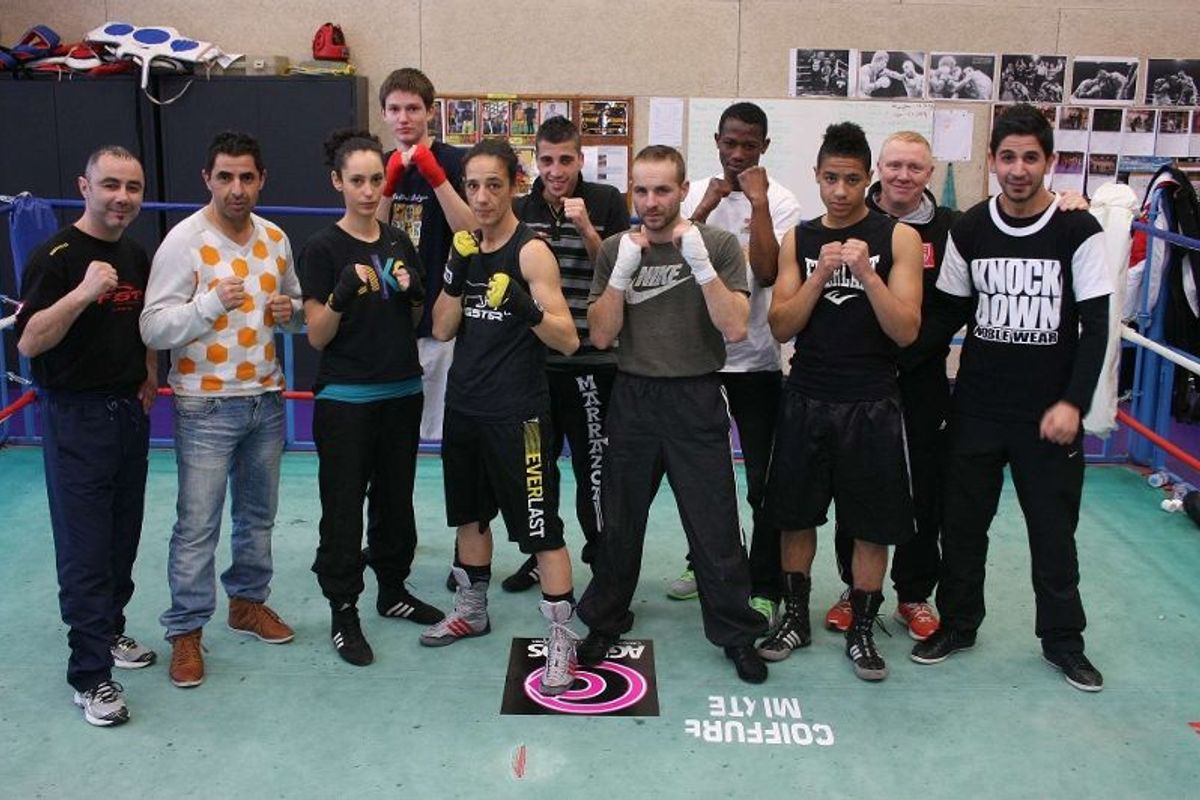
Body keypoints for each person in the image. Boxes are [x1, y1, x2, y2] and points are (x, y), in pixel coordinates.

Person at [910, 104, 1112, 693]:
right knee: (964, 528)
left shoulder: (1077, 229)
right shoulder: (970, 227)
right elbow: (948, 310)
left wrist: (1074, 402)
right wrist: (892, 360)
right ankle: (959, 624)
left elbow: (1096, 324)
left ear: (1049, 162)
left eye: (1031, 157)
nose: (1018, 169)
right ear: (993, 162)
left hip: (1046, 416)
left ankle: (1064, 642)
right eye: (1008, 157)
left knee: (1053, 532)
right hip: (975, 408)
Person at [575, 145, 770, 685]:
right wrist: (619, 277)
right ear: (630, 193)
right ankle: (605, 618)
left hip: (696, 395)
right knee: (620, 522)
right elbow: (601, 334)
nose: (651, 201)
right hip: (634, 396)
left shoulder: (720, 244)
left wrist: (700, 263)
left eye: (663, 190)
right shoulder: (618, 248)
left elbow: (734, 327)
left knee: (714, 526)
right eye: (641, 190)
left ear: (685, 190)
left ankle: (736, 632)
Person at [759, 122, 923, 682]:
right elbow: (781, 326)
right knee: (794, 517)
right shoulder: (799, 239)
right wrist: (821, 272)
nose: (841, 191)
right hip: (807, 395)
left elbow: (905, 330)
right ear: (817, 176)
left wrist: (865, 275)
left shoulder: (896, 238)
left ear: (868, 178)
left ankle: (860, 631)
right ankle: (797, 620)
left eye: (852, 179)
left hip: (872, 400)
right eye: (831, 178)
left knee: (872, 525)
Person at [419, 139, 583, 697]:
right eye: (473, 186)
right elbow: (442, 329)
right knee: (470, 517)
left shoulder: (531, 251)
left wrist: (525, 305)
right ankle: (471, 610)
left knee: (541, 530)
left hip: (521, 415)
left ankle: (562, 638)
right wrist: (453, 273)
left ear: (514, 184)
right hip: (466, 407)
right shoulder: (465, 248)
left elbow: (566, 339)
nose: (483, 197)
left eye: (493, 184)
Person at [141, 131, 303, 689]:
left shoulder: (276, 239)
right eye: (225, 177)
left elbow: (298, 310)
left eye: (247, 177)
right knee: (197, 526)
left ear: (262, 180)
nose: (237, 188)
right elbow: (153, 325)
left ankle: (247, 603)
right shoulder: (183, 241)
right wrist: (209, 304)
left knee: (257, 517)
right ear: (207, 178)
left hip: (264, 397)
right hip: (204, 403)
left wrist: (293, 311)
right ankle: (185, 631)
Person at [16, 146, 158, 726]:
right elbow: (29, 342)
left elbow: (144, 320)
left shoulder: (136, 252)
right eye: (110, 186)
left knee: (123, 537)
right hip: (75, 417)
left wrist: (151, 374)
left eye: (132, 187)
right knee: (85, 549)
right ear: (84, 186)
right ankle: (90, 676)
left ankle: (112, 633)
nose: (121, 197)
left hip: (128, 412)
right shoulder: (55, 256)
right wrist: (81, 292)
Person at [298, 129, 444, 667]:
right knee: (342, 508)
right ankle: (343, 609)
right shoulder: (322, 247)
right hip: (346, 398)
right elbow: (316, 334)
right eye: (356, 180)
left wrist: (412, 294)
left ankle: (393, 590)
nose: (366, 190)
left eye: (374, 180)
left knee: (394, 500)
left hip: (401, 389)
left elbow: (406, 318)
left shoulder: (397, 240)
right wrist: (338, 296)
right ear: (337, 181)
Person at [667, 103, 802, 627]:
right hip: (700, 357)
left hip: (758, 360)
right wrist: (701, 208)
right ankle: (707, 564)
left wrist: (760, 203)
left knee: (763, 478)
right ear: (716, 140)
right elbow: (668, 260)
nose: (738, 154)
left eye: (750, 145)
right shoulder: (695, 189)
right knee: (701, 473)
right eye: (730, 142)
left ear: (764, 147)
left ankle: (765, 581)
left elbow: (767, 272)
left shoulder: (784, 200)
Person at [503, 115, 630, 591]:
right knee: (537, 471)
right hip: (535, 367)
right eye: (548, 160)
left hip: (592, 366)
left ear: (581, 159)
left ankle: (602, 567)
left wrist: (585, 228)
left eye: (566, 160)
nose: (557, 171)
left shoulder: (605, 201)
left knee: (594, 472)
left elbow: (620, 271)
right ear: (536, 160)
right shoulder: (519, 208)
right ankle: (542, 555)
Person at [376, 67, 475, 442]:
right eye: (395, 109)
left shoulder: (454, 162)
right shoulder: (379, 163)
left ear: (431, 112)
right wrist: (388, 183)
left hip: (440, 313)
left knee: (441, 431)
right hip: (389, 314)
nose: (404, 118)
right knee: (394, 433)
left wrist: (436, 178)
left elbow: (471, 232)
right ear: (384, 113)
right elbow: (365, 232)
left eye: (414, 108)